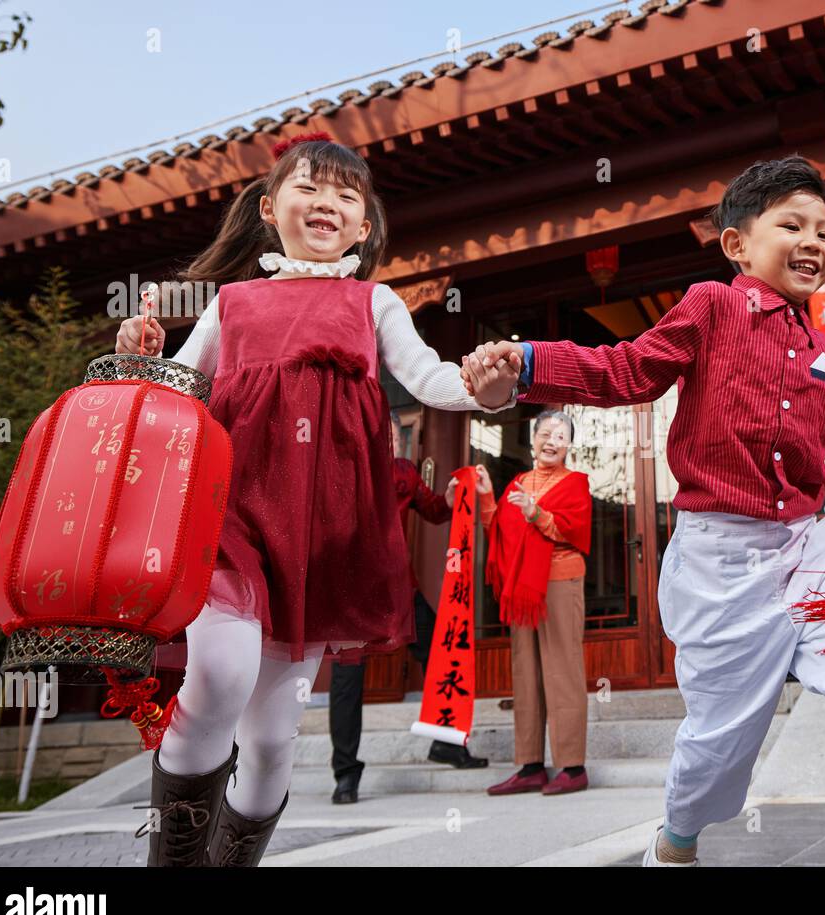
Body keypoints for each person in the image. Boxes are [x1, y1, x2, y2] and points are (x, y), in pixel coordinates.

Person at [461, 155, 825, 866]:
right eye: (792, 225)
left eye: (823, 229)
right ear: (737, 245)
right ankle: (675, 841)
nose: (814, 241)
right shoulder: (710, 308)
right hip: (720, 558)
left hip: (810, 546)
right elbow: (626, 370)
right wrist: (529, 363)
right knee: (721, 738)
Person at [113, 132, 521, 866]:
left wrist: (485, 390)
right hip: (229, 513)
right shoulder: (232, 304)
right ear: (270, 208)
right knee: (219, 674)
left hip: (326, 533)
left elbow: (432, 380)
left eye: (345, 194)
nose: (326, 201)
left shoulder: (376, 301)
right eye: (309, 186)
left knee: (271, 740)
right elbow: (177, 389)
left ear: (364, 227)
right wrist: (138, 359)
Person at [329, 413, 488, 806]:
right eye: (381, 436)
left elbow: (433, 509)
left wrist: (451, 499)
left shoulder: (403, 473)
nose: (389, 444)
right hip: (352, 597)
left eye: (393, 438)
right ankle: (346, 775)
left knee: (441, 651)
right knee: (347, 684)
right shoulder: (339, 472)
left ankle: (446, 741)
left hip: (400, 590)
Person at [463, 411, 594, 797]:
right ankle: (531, 765)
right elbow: (500, 531)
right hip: (523, 590)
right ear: (532, 437)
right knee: (526, 673)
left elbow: (572, 529)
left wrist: (535, 512)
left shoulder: (576, 484)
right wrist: (488, 494)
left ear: (570, 445)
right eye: (545, 433)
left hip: (560, 580)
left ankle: (573, 766)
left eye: (561, 435)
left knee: (563, 670)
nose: (552, 440)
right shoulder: (518, 482)